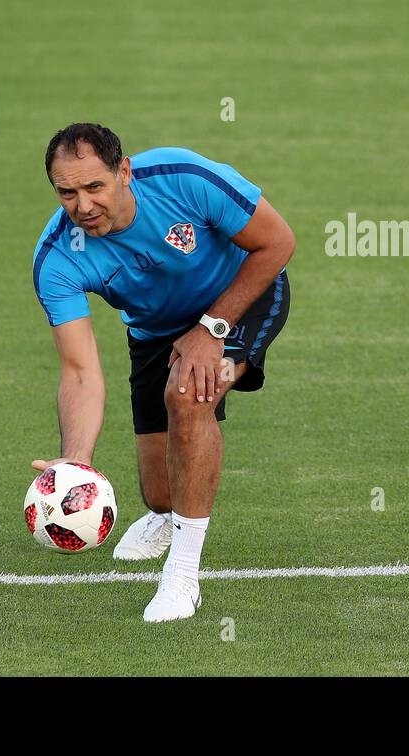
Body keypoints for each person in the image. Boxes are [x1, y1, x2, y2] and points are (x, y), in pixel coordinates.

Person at [32, 123, 294, 618]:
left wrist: (212, 329)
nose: (83, 206)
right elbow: (80, 371)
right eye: (67, 193)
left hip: (241, 293)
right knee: (160, 494)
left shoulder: (183, 178)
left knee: (188, 392)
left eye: (94, 187)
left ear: (124, 172)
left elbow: (278, 242)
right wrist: (77, 462)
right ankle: (170, 518)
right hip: (155, 331)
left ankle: (182, 576)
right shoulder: (57, 259)